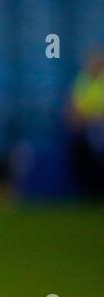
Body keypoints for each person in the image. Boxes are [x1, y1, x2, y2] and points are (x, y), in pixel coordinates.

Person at [65, 50, 104, 199]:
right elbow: (71, 110)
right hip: (86, 129)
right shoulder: (81, 82)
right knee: (78, 146)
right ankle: (90, 190)